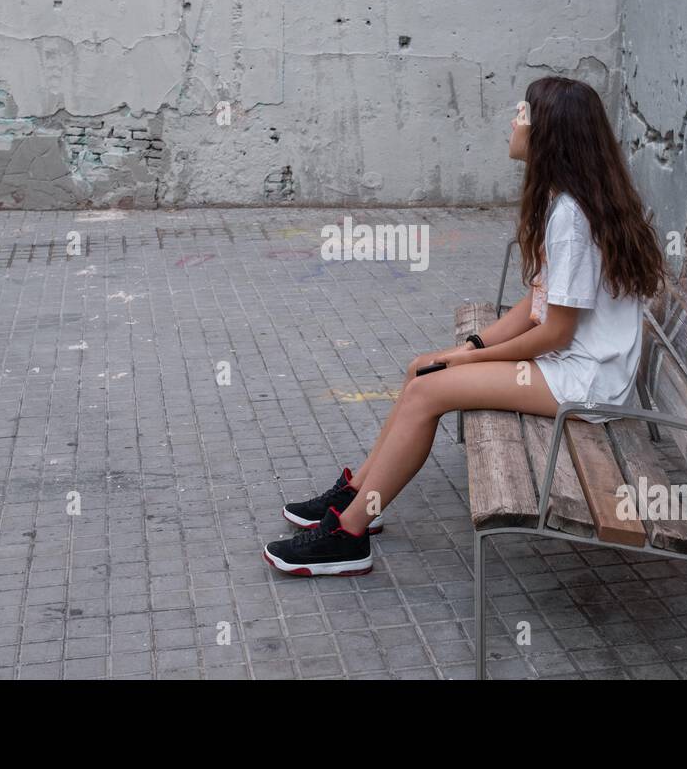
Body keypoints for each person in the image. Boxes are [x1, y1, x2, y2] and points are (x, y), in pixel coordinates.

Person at [263, 75, 666, 576]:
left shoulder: (570, 217)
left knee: (428, 390)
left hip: (586, 382)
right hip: (573, 368)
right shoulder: (568, 202)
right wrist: (468, 345)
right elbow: (536, 304)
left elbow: (555, 332)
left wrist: (469, 359)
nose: (514, 121)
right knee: (422, 372)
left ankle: (349, 536)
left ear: (547, 135)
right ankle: (359, 498)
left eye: (523, 114)